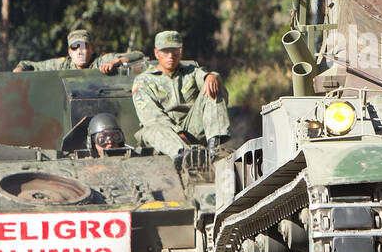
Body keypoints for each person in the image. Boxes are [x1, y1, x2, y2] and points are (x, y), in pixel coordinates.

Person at [131, 30, 230, 162]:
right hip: (164, 134)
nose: (171, 55)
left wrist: (210, 77)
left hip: (192, 129)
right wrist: (178, 133)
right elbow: (152, 117)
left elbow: (204, 77)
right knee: (152, 128)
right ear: (156, 53)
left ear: (181, 51)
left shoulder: (191, 72)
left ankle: (214, 147)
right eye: (165, 51)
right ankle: (184, 156)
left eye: (175, 50)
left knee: (212, 85)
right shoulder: (143, 81)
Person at [13, 28, 144, 74]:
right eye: (74, 47)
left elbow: (138, 55)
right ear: (69, 52)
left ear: (92, 49)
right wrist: (19, 70)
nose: (79, 51)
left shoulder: (101, 62)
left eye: (84, 46)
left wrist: (116, 62)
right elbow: (27, 65)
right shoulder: (62, 65)